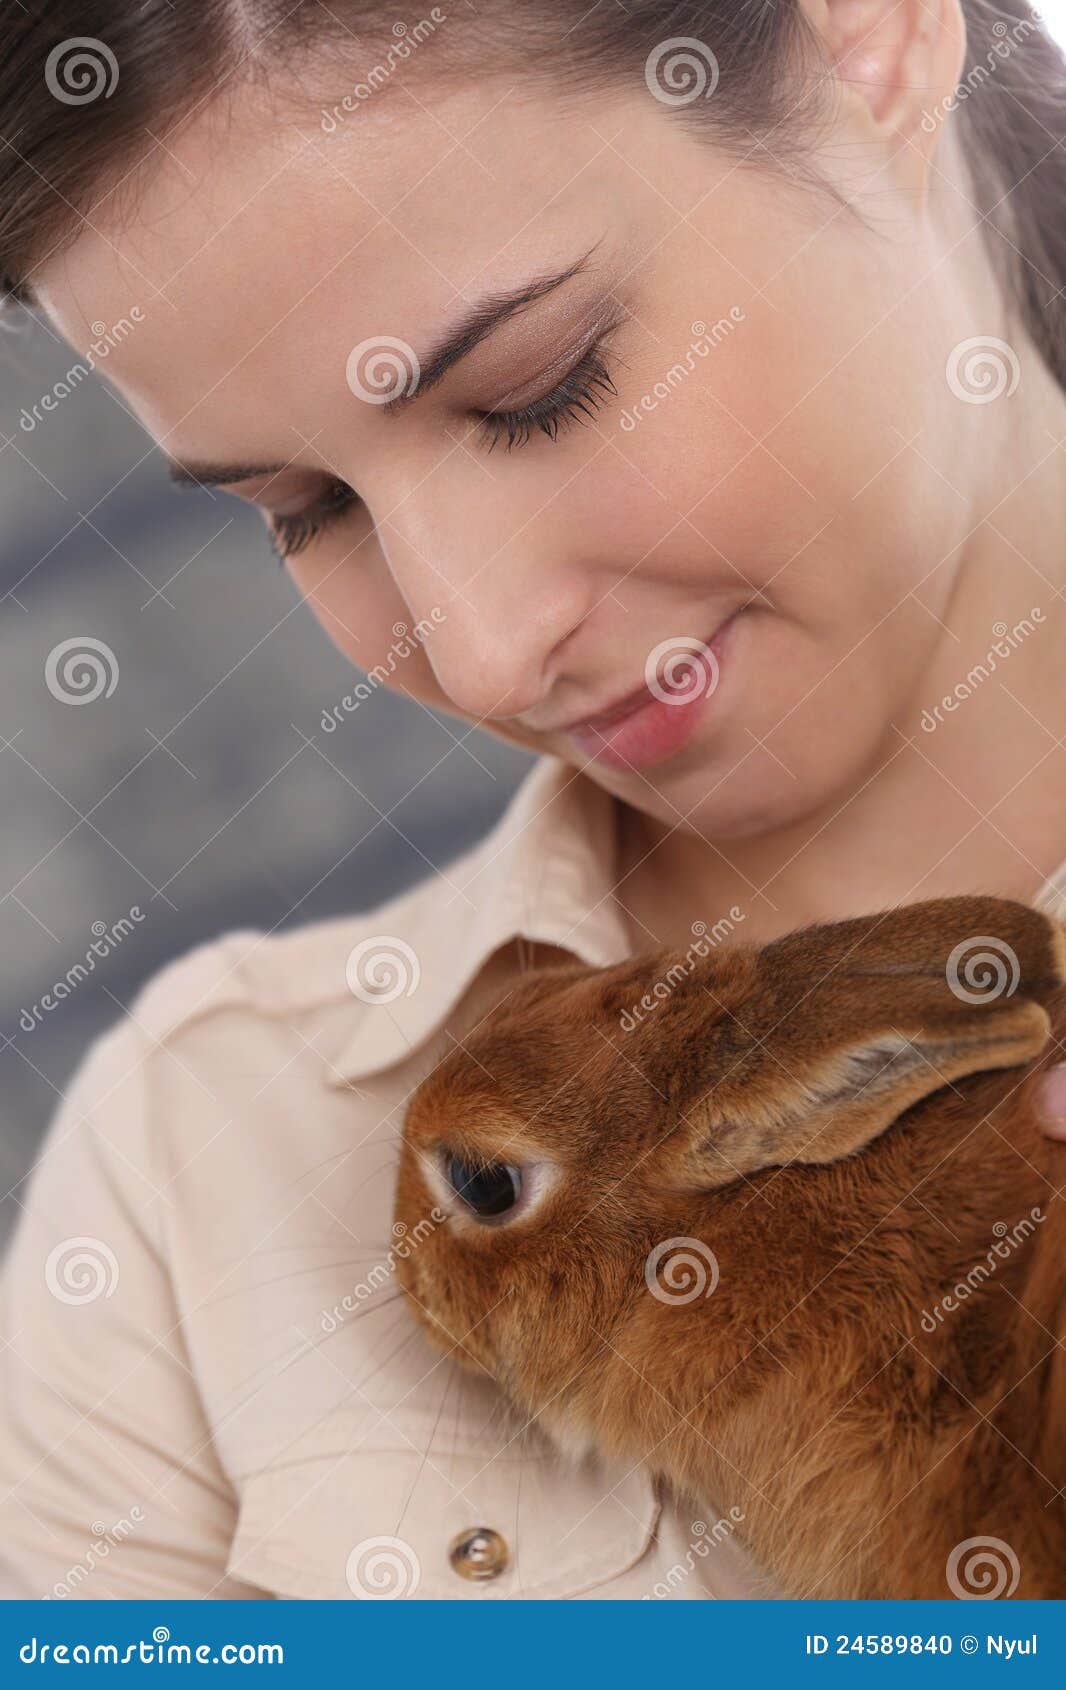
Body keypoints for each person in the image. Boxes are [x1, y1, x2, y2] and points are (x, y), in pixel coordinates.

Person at [1, 0, 1064, 1600]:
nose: (488, 654)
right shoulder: (190, 1164)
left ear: (868, 35)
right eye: (302, 511)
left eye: (538, 387)